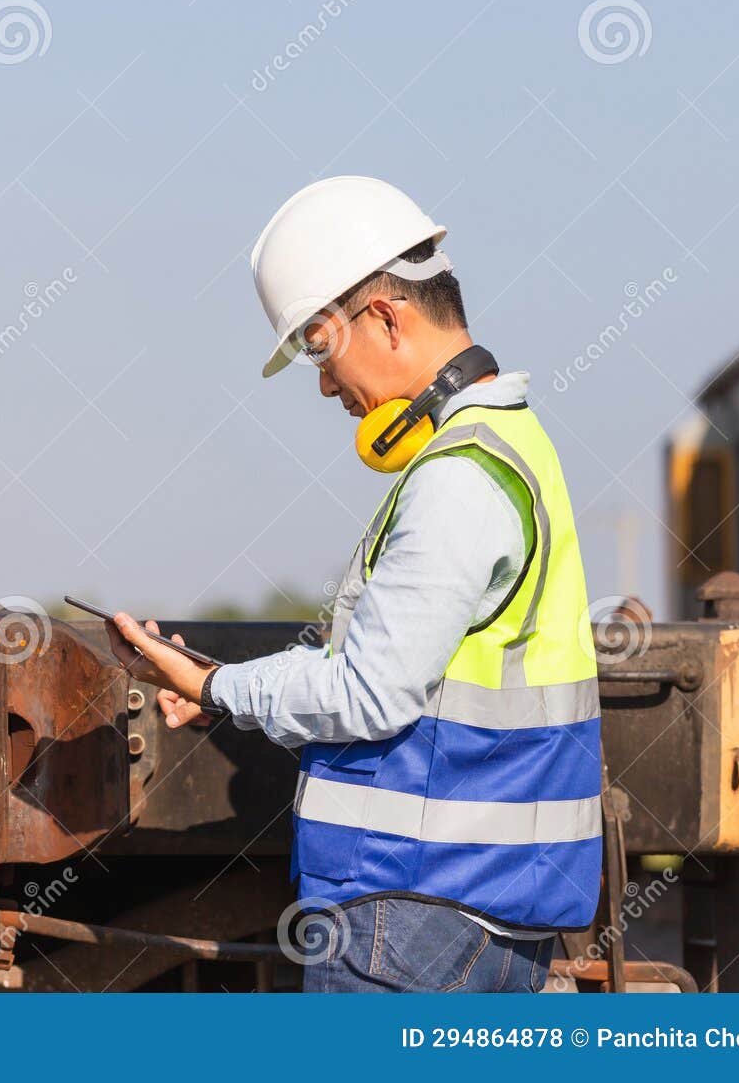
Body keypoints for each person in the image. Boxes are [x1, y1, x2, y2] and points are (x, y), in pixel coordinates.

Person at [108, 176, 602, 993]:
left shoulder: (457, 477)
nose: (328, 386)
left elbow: (371, 693)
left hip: (411, 915)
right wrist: (226, 694)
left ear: (384, 317)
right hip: (480, 909)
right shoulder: (513, 446)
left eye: (320, 348)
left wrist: (213, 679)